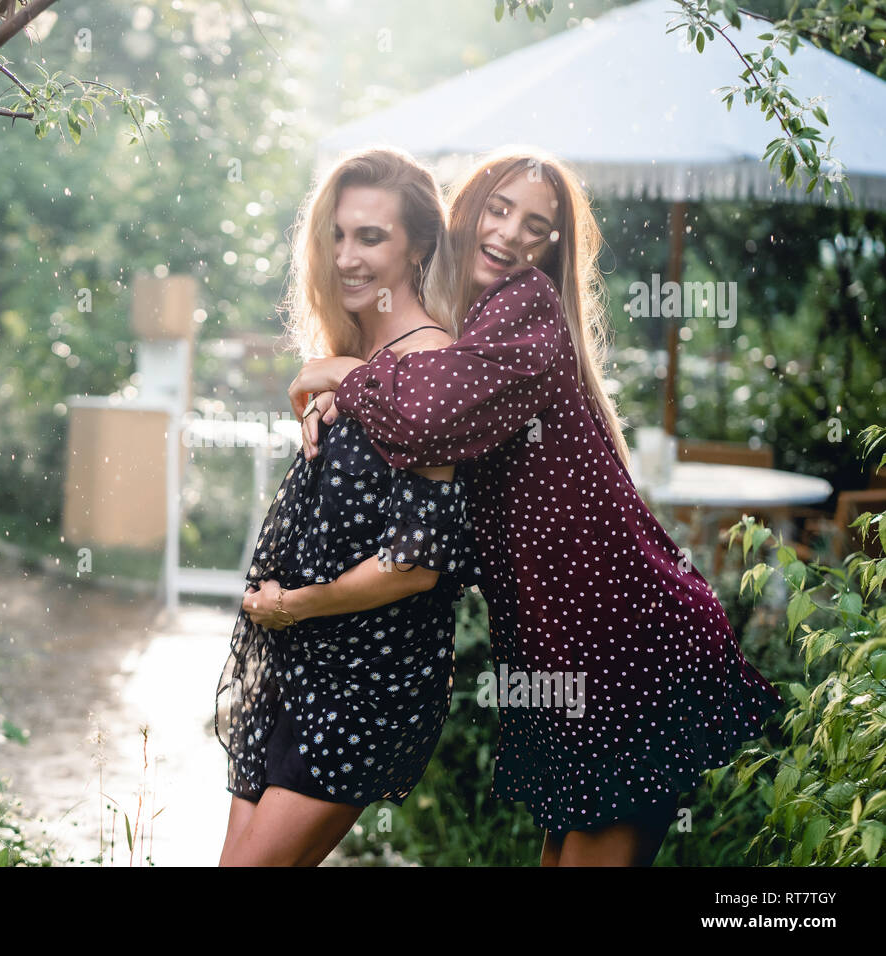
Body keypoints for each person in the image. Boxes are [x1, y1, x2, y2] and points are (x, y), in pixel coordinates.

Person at [287, 146, 783, 866]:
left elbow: (429, 415)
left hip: (621, 640)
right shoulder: (471, 327)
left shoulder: (526, 308)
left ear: (552, 247)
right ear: (468, 208)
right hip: (557, 652)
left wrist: (335, 371)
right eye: (499, 208)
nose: (512, 233)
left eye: (537, 226)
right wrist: (346, 394)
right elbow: (423, 394)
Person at [214, 147, 478, 866]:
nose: (346, 255)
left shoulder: (433, 370)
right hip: (297, 665)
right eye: (336, 234)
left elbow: (414, 568)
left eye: (371, 237)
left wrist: (292, 604)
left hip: (366, 678)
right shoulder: (357, 359)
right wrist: (327, 371)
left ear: (418, 245)